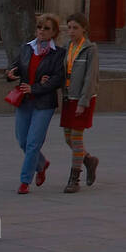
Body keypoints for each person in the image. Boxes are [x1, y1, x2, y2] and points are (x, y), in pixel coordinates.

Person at [6, 15, 67, 194]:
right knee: (22, 140)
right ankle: (41, 164)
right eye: (40, 27)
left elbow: (57, 78)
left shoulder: (59, 54)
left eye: (46, 28)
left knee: (33, 142)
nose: (42, 31)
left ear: (54, 32)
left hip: (44, 103)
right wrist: (10, 74)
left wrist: (36, 88)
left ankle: (25, 181)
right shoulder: (27, 49)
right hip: (24, 101)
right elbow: (14, 67)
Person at [59, 13, 100, 194]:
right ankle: (89, 160)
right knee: (68, 138)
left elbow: (91, 77)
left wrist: (83, 102)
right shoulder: (67, 46)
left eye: (75, 28)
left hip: (83, 99)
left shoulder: (90, 49)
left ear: (84, 29)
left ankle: (74, 178)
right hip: (69, 97)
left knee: (76, 138)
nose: (71, 31)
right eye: (69, 27)